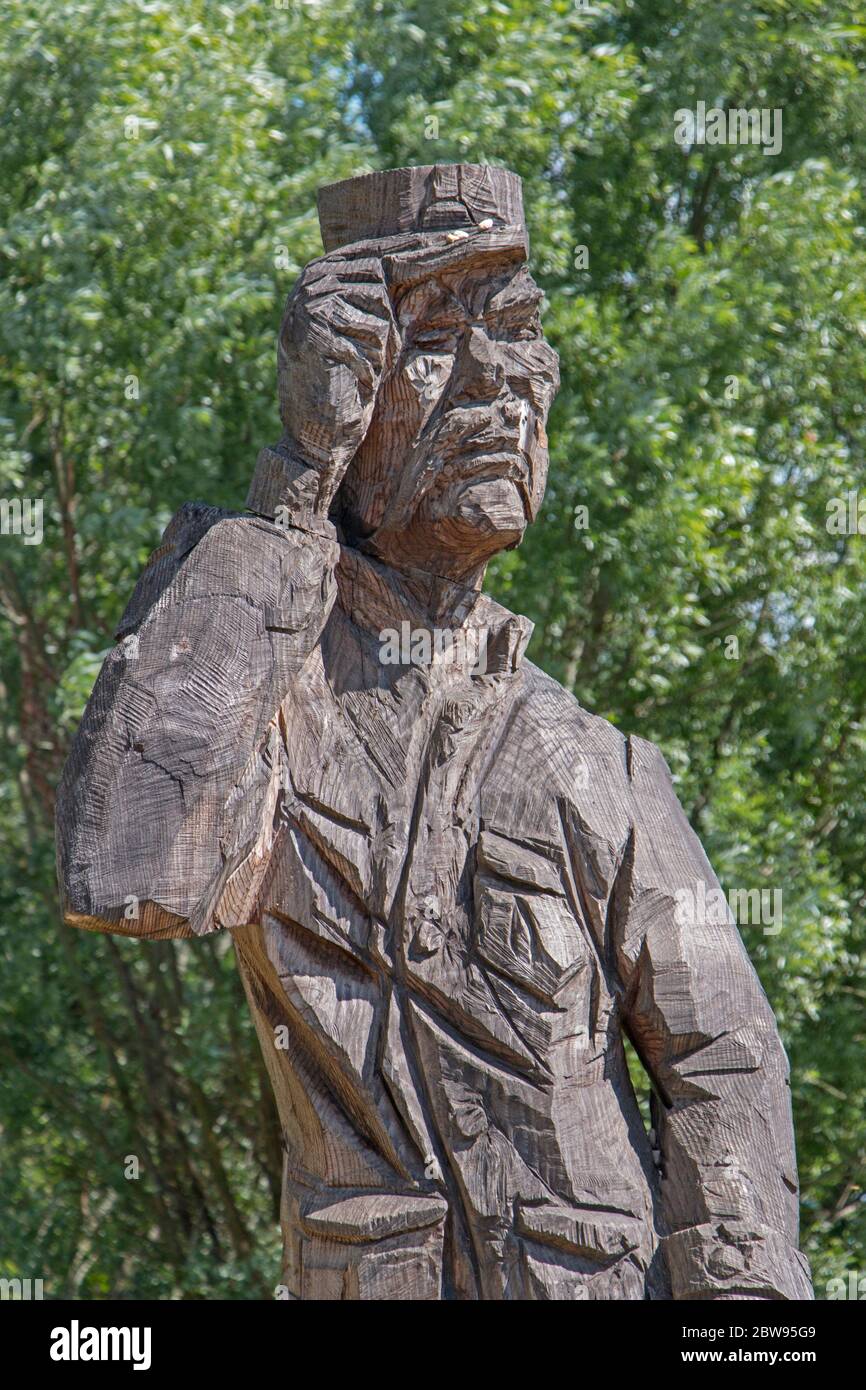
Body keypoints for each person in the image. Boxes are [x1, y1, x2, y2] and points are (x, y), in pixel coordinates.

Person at [57, 164, 813, 1301]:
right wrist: (297, 488)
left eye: (518, 334)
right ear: (341, 385)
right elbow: (130, 878)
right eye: (434, 338)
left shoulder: (592, 763)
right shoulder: (254, 669)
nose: (500, 381)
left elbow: (723, 1058)